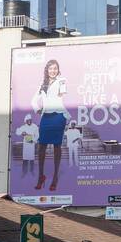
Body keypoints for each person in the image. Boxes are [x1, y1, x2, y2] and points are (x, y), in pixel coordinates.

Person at [31, 58, 69, 193]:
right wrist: (38, 109)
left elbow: (60, 97)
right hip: (46, 117)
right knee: (42, 147)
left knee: (57, 147)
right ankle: (41, 176)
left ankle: (55, 178)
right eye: (51, 68)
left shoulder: (61, 81)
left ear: (58, 70)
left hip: (58, 116)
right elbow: (34, 100)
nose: (53, 71)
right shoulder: (43, 83)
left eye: (55, 68)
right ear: (47, 70)